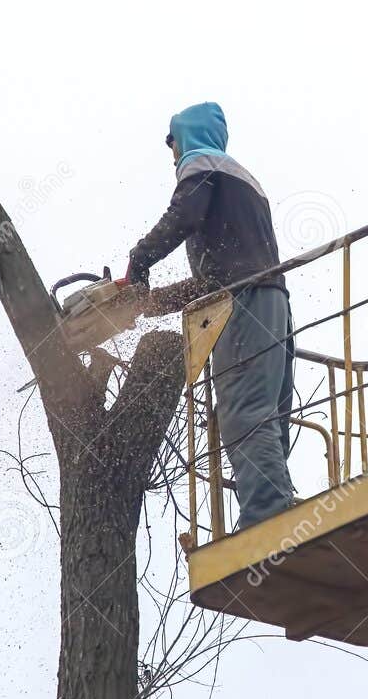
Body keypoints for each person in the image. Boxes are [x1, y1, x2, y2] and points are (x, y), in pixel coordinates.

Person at [120, 101, 296, 529]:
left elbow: (183, 217)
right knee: (268, 415)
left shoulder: (202, 165)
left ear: (189, 137)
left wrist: (138, 260)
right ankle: (278, 508)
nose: (175, 158)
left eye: (174, 146)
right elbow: (214, 280)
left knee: (244, 412)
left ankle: (267, 522)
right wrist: (148, 304)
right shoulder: (243, 185)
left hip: (244, 308)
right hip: (272, 303)